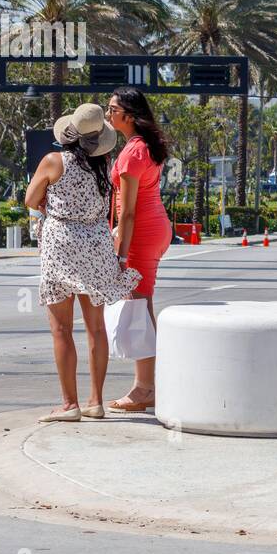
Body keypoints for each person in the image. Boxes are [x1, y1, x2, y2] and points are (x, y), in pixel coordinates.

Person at [25, 104, 141, 422]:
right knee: (96, 329)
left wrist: (50, 199)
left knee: (61, 329)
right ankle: (96, 401)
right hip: (96, 246)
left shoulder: (53, 161)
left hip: (61, 245)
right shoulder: (104, 164)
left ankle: (69, 404)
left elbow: (30, 199)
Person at [104, 87, 173, 412]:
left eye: (112, 108)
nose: (108, 114)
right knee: (142, 306)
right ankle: (149, 384)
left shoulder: (132, 153)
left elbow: (127, 211)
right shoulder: (144, 147)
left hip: (142, 231)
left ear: (128, 116)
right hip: (155, 226)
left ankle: (145, 388)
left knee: (140, 306)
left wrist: (120, 252)